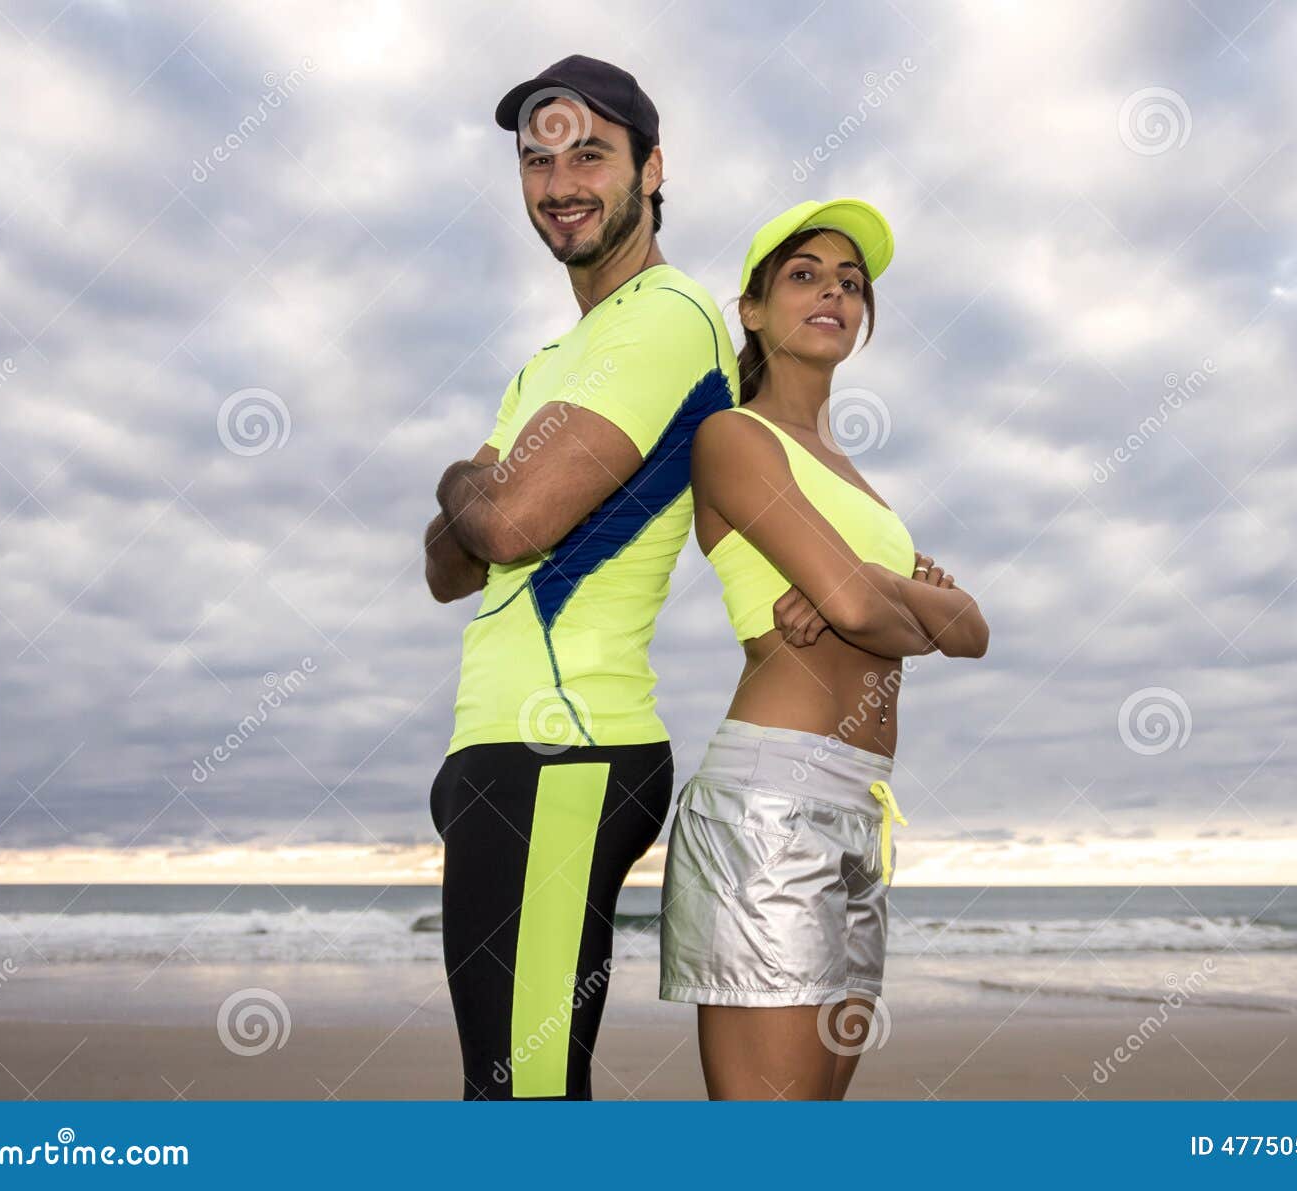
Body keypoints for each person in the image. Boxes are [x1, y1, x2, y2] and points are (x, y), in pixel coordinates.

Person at [423, 54, 737, 1100]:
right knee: (505, 1090)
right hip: (497, 747)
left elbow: (502, 523)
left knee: (526, 1100)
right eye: (537, 159)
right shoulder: (545, 364)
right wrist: (474, 501)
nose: (560, 182)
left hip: (566, 748)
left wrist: (463, 478)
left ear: (652, 169)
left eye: (591, 154)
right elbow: (444, 570)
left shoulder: (670, 316)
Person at [658, 198, 989, 1100]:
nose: (835, 293)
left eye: (852, 283)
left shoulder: (861, 487)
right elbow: (867, 604)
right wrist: (880, 593)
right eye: (804, 275)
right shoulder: (732, 437)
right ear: (754, 310)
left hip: (864, 809)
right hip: (774, 800)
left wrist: (874, 591)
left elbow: (974, 631)